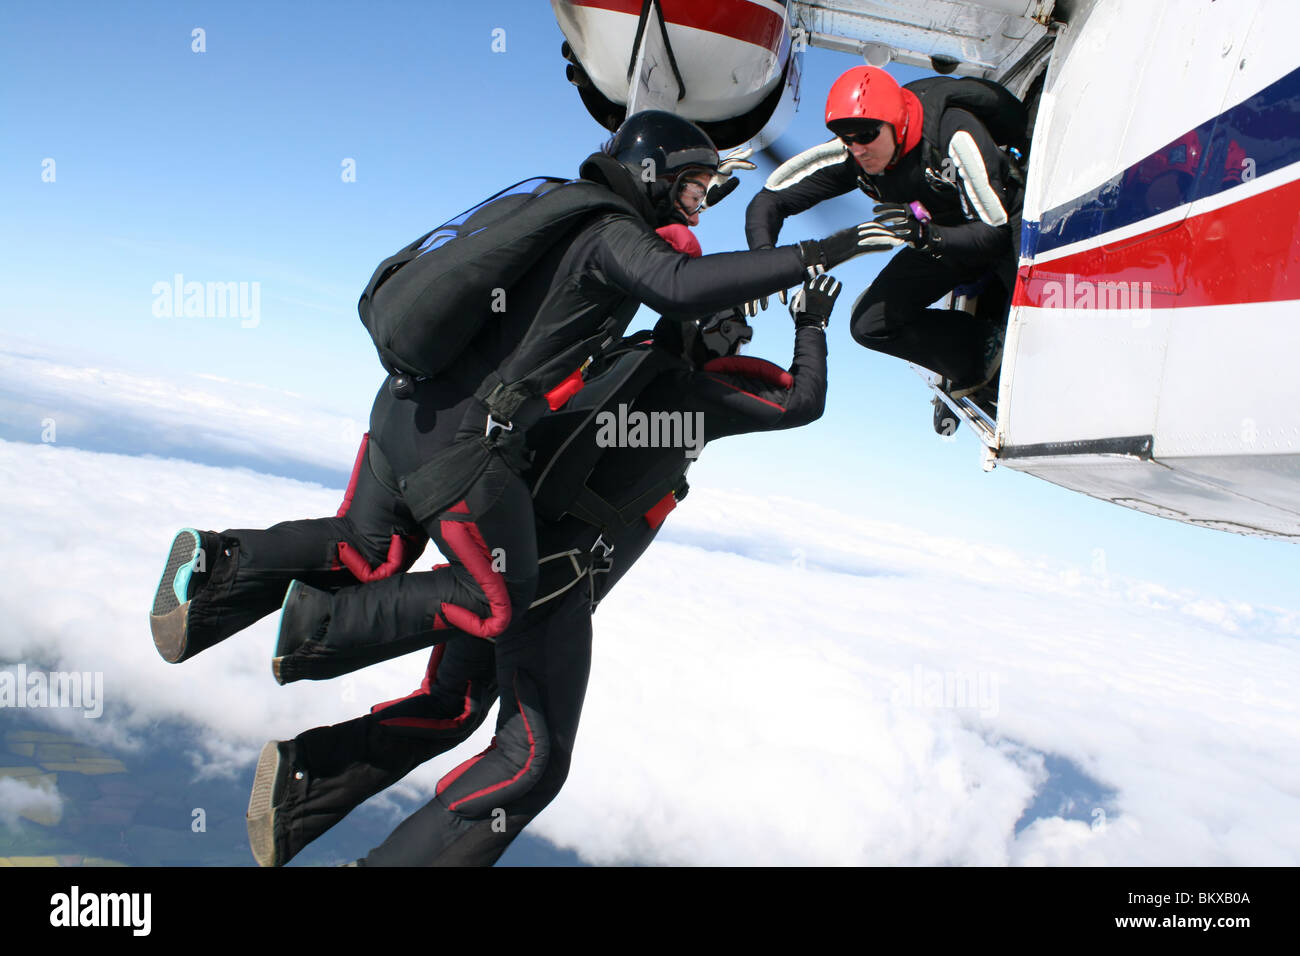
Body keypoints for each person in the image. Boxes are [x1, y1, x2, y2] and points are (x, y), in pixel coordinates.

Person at [148, 110, 883, 671]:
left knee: (363, 551)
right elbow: (682, 287)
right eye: (692, 189)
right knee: (497, 598)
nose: (698, 206)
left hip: (403, 408)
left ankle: (213, 564)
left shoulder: (561, 209)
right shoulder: (613, 233)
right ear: (655, 173)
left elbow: (675, 298)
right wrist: (817, 252)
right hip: (461, 451)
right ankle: (315, 627)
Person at [245, 274, 842, 867]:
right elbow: (799, 401)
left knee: (452, 705)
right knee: (531, 763)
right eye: (735, 333)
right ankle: (321, 685)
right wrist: (810, 323)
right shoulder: (695, 397)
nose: (739, 345)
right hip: (554, 584)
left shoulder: (619, 361)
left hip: (506, 551)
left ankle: (302, 785)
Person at [745, 66, 1027, 399]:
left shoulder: (953, 134)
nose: (857, 149)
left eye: (866, 136)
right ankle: (978, 353)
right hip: (940, 235)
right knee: (869, 325)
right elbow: (769, 199)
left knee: (1036, 320)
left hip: (1002, 224)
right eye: (846, 138)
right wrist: (763, 266)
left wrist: (928, 237)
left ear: (898, 123)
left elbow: (993, 233)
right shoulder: (851, 152)